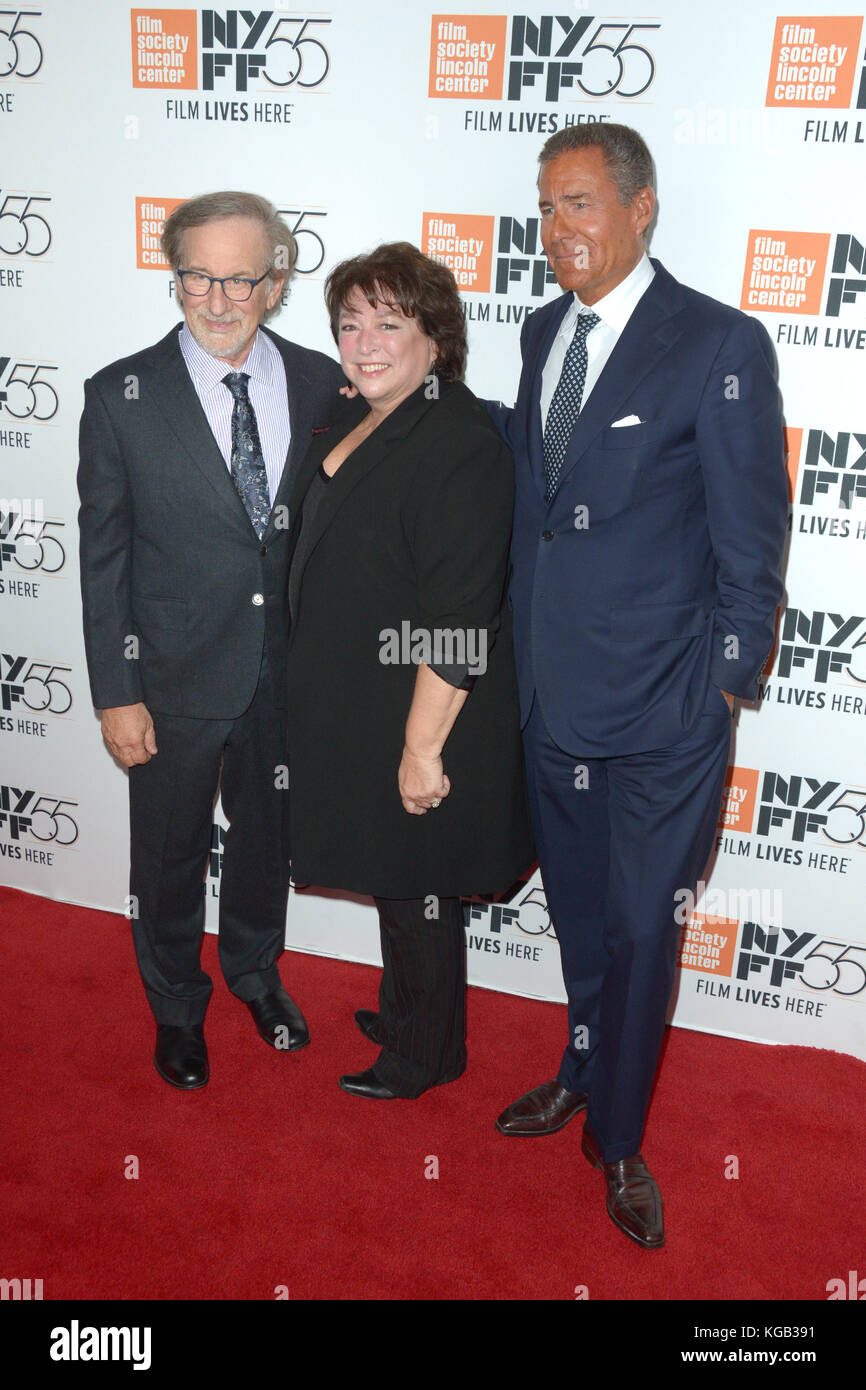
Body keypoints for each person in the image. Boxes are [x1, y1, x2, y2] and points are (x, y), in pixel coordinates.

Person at [487, 124, 788, 1247]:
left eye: (576, 204)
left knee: (640, 926)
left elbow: (750, 535)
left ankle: (616, 1137)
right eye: (544, 207)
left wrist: (719, 686)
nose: (556, 228)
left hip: (664, 710)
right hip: (550, 698)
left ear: (639, 205)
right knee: (573, 913)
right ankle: (575, 1068)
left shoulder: (716, 340)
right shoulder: (535, 331)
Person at [78, 191, 344, 1089]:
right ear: (174, 275)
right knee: (168, 855)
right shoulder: (119, 395)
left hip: (285, 679)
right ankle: (175, 1008)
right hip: (172, 680)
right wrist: (118, 692)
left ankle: (256, 975)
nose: (219, 298)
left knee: (266, 841)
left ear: (276, 280)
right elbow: (103, 558)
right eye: (198, 274)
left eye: (242, 277)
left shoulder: (322, 381)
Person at [285, 242, 534, 1099]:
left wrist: (423, 749)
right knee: (397, 874)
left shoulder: (458, 442)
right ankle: (406, 1011)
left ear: (436, 335)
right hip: (371, 699)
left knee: (419, 877)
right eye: (350, 323)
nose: (365, 341)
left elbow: (461, 622)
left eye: (389, 322)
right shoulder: (375, 415)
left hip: (430, 708)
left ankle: (428, 1052)